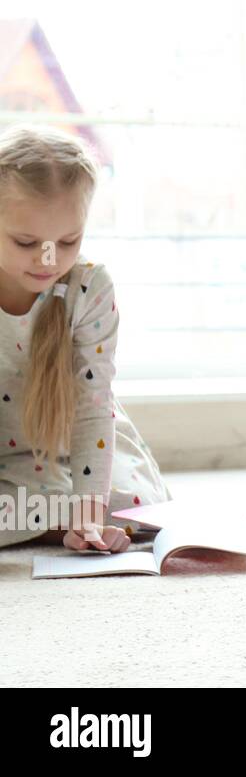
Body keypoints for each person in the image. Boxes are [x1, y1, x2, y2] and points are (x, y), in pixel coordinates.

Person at [0, 124, 170, 551]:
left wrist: (88, 514)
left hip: (76, 452)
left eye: (68, 240)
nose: (48, 259)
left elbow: (94, 412)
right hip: (7, 460)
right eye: (26, 242)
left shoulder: (88, 289)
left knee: (134, 509)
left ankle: (59, 521)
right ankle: (51, 520)